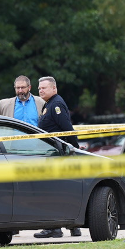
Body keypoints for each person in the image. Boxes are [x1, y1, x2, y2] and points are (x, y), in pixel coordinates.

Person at [34, 76, 81, 238]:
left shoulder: (56, 105)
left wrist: (74, 148)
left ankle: (54, 228)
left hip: (56, 156)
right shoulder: (50, 104)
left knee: (50, 193)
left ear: (54, 88)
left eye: (44, 88)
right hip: (54, 155)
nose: (40, 90)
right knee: (63, 192)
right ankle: (73, 226)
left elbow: (67, 129)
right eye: (39, 88)